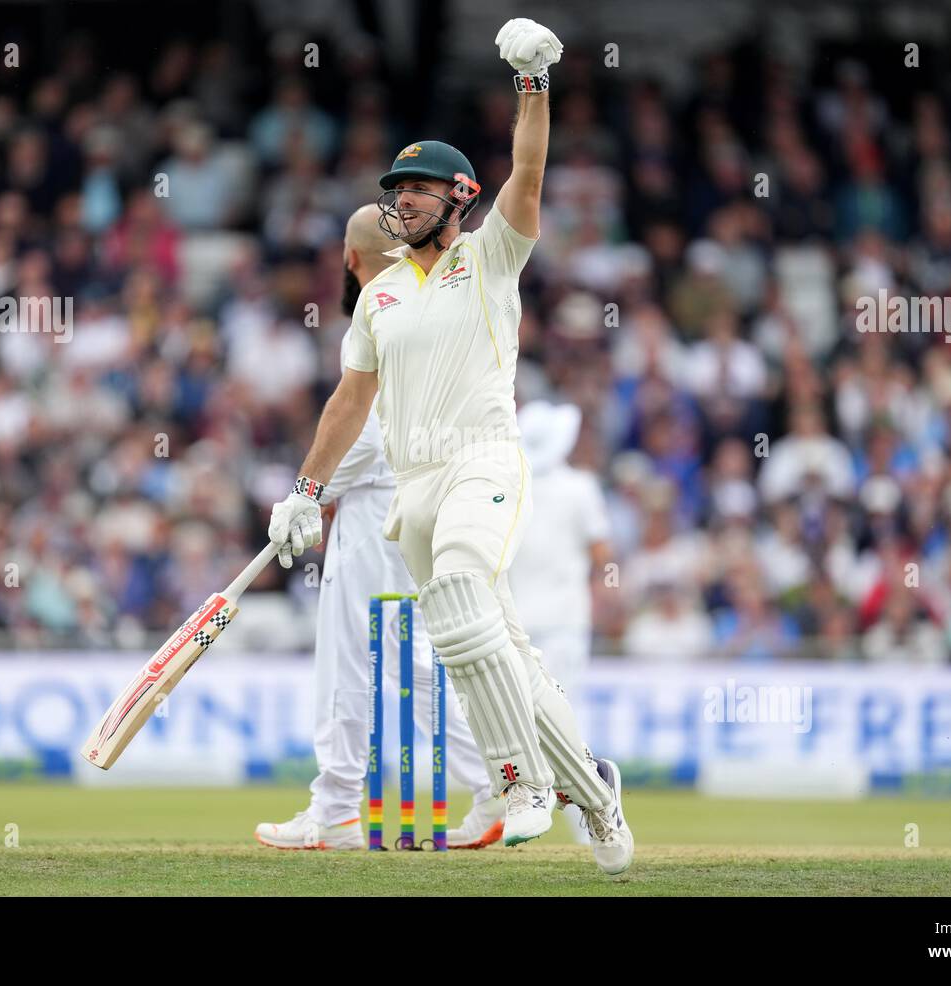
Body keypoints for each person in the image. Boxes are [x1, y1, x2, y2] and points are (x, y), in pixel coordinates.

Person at [266, 19, 632, 875]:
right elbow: (350, 401)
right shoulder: (380, 297)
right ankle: (595, 792)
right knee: (497, 645)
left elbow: (531, 169)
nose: (406, 200)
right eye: (399, 190)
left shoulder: (492, 255)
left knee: (464, 591)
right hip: (415, 492)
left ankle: (518, 784)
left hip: (485, 461)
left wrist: (534, 84)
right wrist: (303, 492)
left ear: (460, 196)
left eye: (423, 189)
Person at [255, 206, 503, 851]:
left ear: (350, 258)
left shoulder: (389, 311)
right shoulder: (423, 308)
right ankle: (340, 805)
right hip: (407, 511)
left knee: (389, 661)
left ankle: (492, 779)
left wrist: (308, 495)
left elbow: (366, 431)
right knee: (376, 660)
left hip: (382, 517)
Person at [508, 400, 612, 843]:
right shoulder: (581, 487)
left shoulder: (509, 486)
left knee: (525, 724)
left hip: (517, 626)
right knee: (568, 721)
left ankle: (531, 805)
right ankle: (594, 816)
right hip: (566, 624)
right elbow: (603, 556)